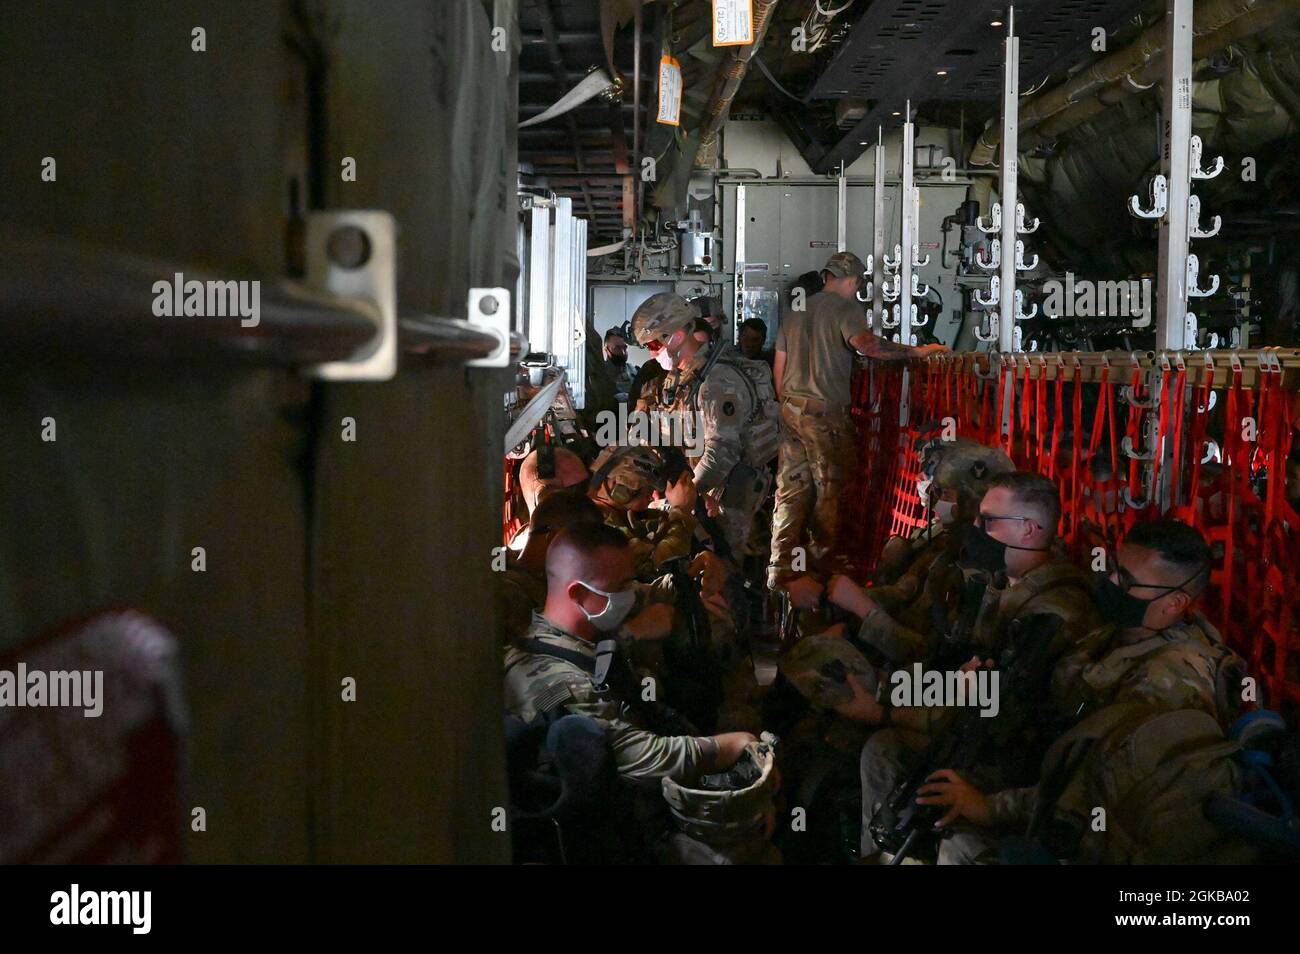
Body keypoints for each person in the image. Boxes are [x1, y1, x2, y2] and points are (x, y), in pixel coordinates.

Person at [912, 520, 1251, 864]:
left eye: (1129, 581)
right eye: (1115, 569)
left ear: (1174, 603)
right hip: (1040, 778)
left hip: (1083, 828)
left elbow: (1093, 795)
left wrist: (989, 808)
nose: (1113, 582)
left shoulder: (1168, 684)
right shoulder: (1114, 633)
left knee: (959, 846)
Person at [857, 471, 1101, 863]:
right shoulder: (1002, 584)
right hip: (980, 728)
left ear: (1029, 531)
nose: (976, 529)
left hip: (1016, 758)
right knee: (883, 749)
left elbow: (1009, 710)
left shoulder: (1057, 611)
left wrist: (889, 708)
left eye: (988, 521)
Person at [503, 522, 758, 785]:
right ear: (578, 593)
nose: (630, 592)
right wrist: (728, 747)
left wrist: (698, 577)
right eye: (622, 586)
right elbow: (636, 755)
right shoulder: (551, 681)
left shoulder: (585, 629)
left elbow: (650, 592)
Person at [769, 251, 944, 598]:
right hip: (825, 415)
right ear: (853, 281)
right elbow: (866, 346)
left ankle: (781, 570)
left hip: (791, 412)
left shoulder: (796, 311)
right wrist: (918, 352)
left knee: (791, 491)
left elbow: (780, 364)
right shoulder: (845, 308)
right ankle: (821, 575)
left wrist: (790, 406)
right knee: (832, 493)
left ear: (827, 276)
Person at [631, 293, 780, 562]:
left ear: (675, 336)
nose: (652, 352)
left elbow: (722, 451)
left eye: (654, 343)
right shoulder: (681, 377)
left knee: (724, 572)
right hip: (702, 494)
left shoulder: (717, 381)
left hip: (728, 499)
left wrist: (687, 495)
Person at [602, 328, 635, 402]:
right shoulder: (600, 372)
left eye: (624, 348)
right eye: (617, 348)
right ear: (607, 349)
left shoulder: (634, 370)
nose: (623, 352)